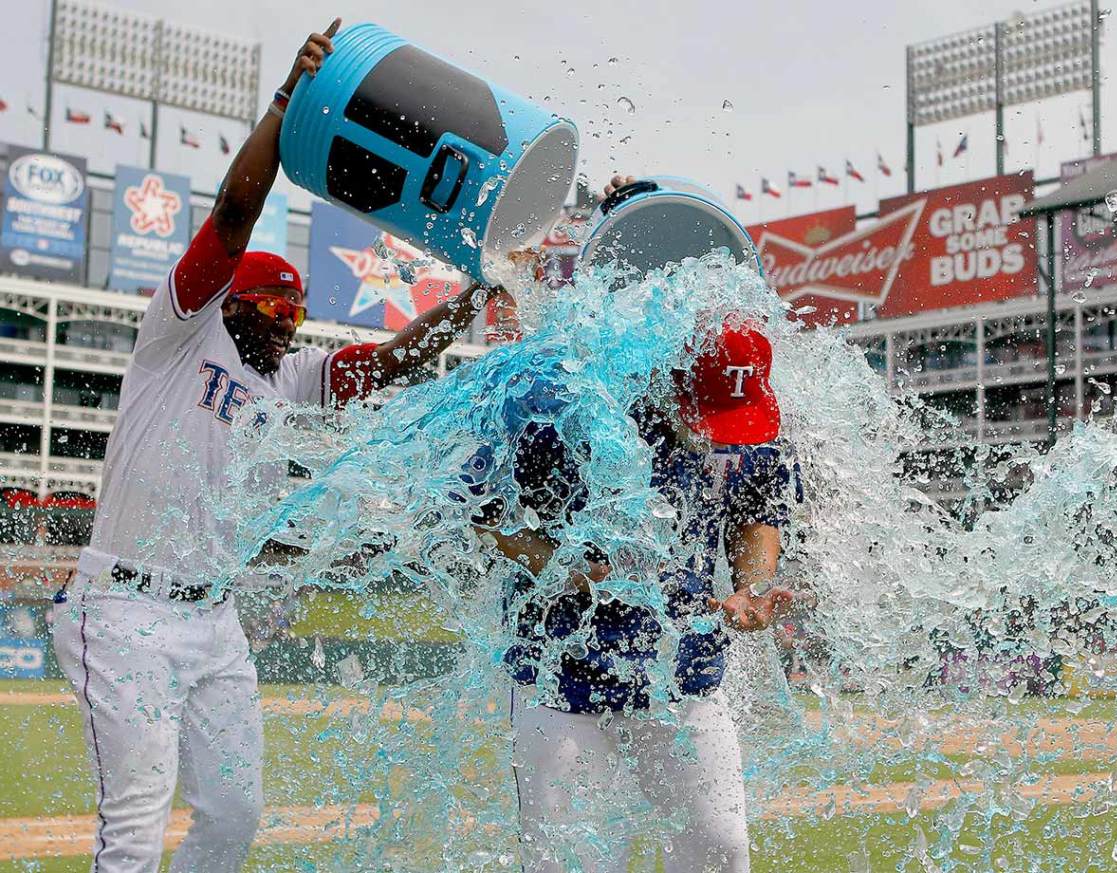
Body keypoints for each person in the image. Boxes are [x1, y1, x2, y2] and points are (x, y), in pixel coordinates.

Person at [50, 20, 503, 872]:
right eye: (271, 305)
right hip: (125, 609)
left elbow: (389, 364)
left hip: (211, 615)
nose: (286, 319)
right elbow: (234, 211)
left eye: (294, 310)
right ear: (230, 301)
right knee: (135, 827)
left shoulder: (285, 375)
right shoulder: (181, 334)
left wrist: (468, 300)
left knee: (233, 816)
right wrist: (288, 101)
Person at [468, 259, 801, 872]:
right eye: (707, 423)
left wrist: (753, 584)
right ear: (665, 383)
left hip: (683, 664)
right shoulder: (569, 413)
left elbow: (758, 513)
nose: (721, 440)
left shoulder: (752, 418)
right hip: (558, 668)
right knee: (575, 862)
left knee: (719, 853)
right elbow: (485, 514)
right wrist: (565, 568)